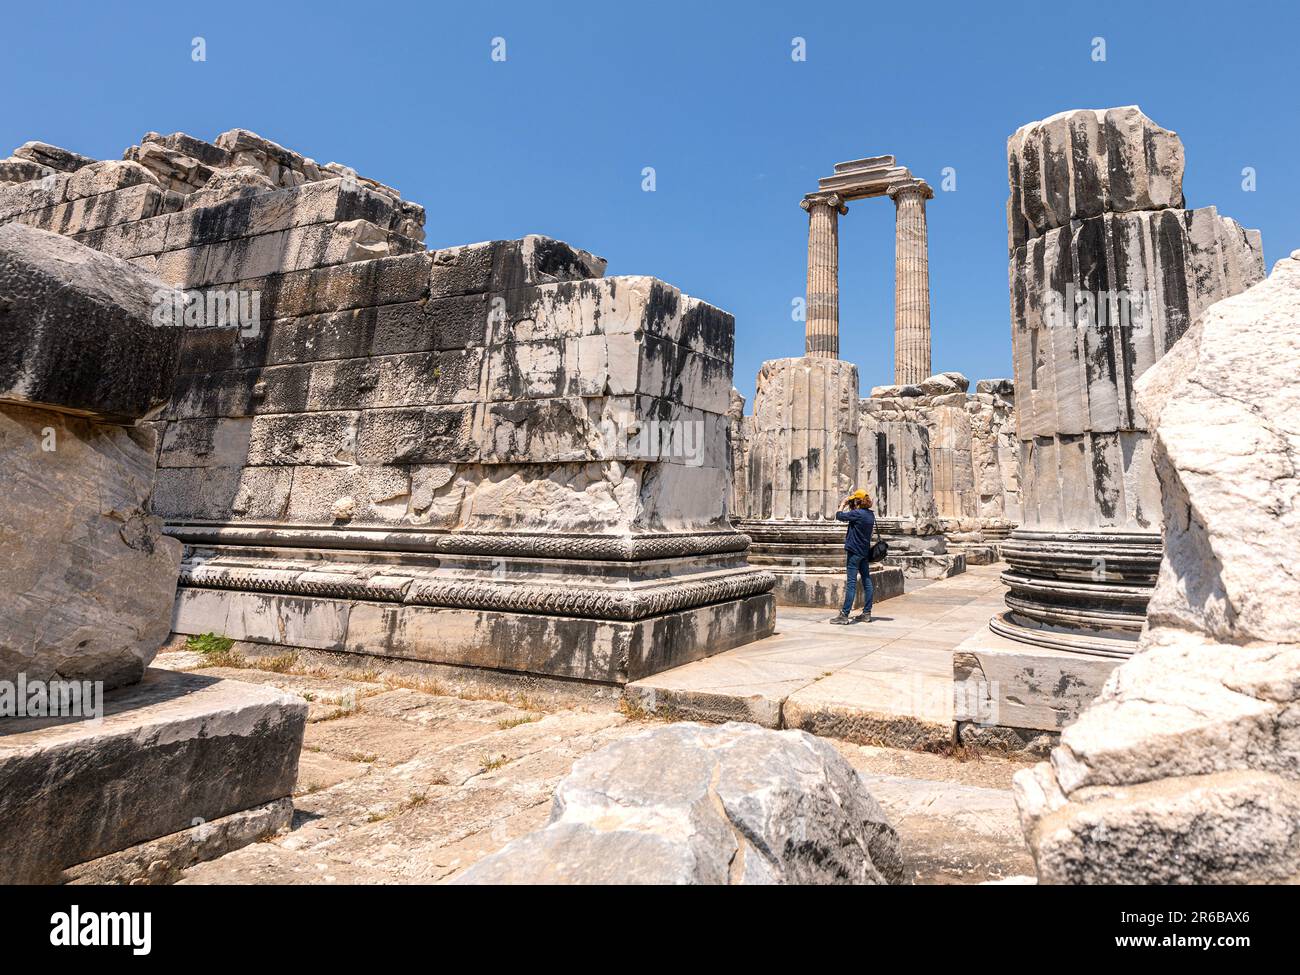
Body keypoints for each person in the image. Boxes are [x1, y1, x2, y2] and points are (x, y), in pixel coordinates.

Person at [830, 488, 875, 624]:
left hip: (854, 552)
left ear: (858, 501)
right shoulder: (870, 515)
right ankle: (866, 612)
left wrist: (842, 504)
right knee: (867, 581)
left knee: (851, 583)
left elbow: (839, 516)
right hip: (864, 552)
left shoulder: (857, 514)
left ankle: (844, 614)